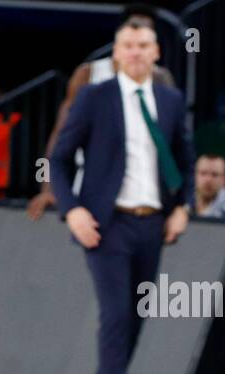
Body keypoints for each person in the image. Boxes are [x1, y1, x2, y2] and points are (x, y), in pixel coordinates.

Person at [50, 17, 193, 374]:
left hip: (152, 222)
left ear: (156, 52)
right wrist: (72, 210)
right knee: (115, 317)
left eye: (142, 45)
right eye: (127, 45)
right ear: (116, 52)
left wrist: (183, 206)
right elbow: (58, 159)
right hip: (106, 224)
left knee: (134, 321)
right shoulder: (97, 96)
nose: (134, 52)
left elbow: (186, 159)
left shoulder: (169, 99)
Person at [27, 3, 175, 221]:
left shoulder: (161, 79)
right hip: (92, 186)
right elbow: (60, 135)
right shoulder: (89, 74)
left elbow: (171, 144)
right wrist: (48, 188)